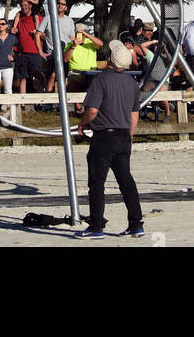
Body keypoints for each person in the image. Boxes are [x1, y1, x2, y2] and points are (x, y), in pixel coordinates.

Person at [77, 40, 143, 239]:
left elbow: (92, 110)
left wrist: (82, 123)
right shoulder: (132, 83)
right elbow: (134, 116)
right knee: (126, 181)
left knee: (97, 183)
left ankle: (97, 226)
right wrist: (130, 136)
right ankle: (136, 223)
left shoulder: (102, 80)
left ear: (109, 59)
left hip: (104, 137)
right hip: (124, 135)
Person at [10, 0, 47, 96]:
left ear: (31, 5)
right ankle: (23, 102)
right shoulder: (18, 18)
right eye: (22, 5)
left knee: (37, 77)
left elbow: (45, 36)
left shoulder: (39, 18)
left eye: (26, 5)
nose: (24, 7)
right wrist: (12, 31)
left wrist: (38, 33)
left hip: (35, 53)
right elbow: (13, 35)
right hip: (22, 54)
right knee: (23, 78)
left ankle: (38, 102)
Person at [39, 0, 76, 92]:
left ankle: (61, 103)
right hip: (52, 54)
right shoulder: (48, 18)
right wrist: (40, 51)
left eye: (63, 4)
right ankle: (48, 103)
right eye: (58, 3)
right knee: (52, 75)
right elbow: (37, 34)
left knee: (63, 78)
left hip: (65, 54)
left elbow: (72, 38)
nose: (60, 5)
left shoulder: (70, 21)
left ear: (66, 7)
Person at [0, 16, 18, 103]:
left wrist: (14, 57)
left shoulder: (12, 38)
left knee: (8, 89)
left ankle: (8, 108)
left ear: (7, 26)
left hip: (7, 67)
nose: (0, 26)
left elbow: (20, 48)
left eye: (3, 24)